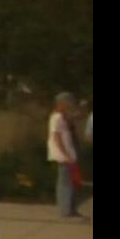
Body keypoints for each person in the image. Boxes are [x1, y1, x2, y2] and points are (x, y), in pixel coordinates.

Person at [48, 91, 84, 219]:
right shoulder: (56, 117)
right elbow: (56, 137)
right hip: (64, 156)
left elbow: (74, 118)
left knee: (72, 181)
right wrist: (64, 154)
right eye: (67, 104)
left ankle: (71, 208)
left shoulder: (64, 117)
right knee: (65, 183)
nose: (69, 106)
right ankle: (66, 210)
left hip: (70, 154)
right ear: (61, 104)